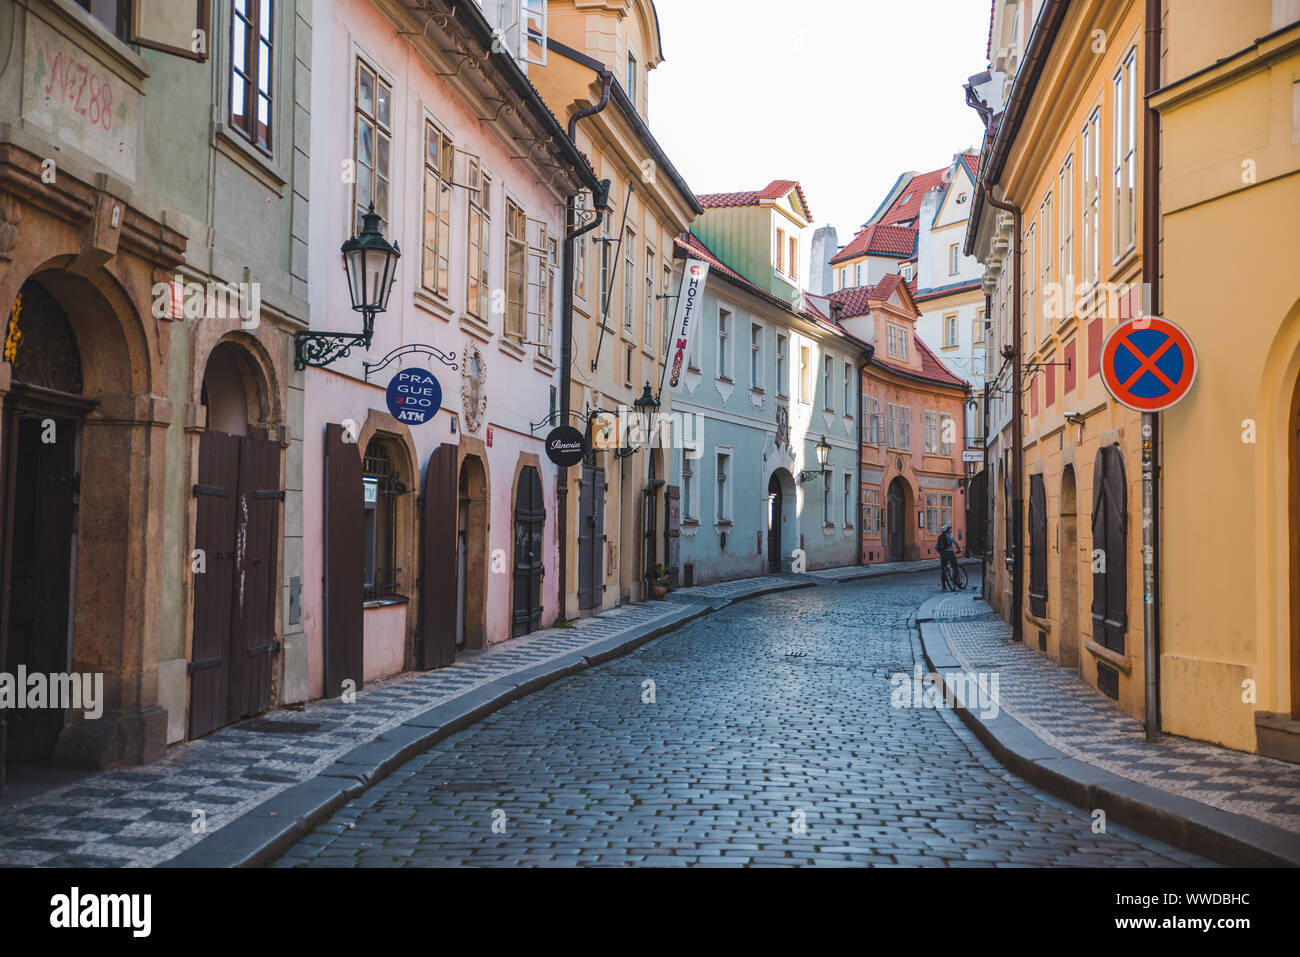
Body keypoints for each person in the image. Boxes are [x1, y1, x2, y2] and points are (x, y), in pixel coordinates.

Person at [936, 524, 961, 589]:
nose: (950, 530)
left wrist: (941, 553)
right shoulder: (949, 536)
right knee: (954, 566)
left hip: (943, 554)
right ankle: (957, 579)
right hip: (950, 553)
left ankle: (944, 586)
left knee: (943, 569)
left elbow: (936, 547)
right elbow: (955, 543)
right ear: (947, 531)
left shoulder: (940, 537)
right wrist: (959, 549)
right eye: (949, 529)